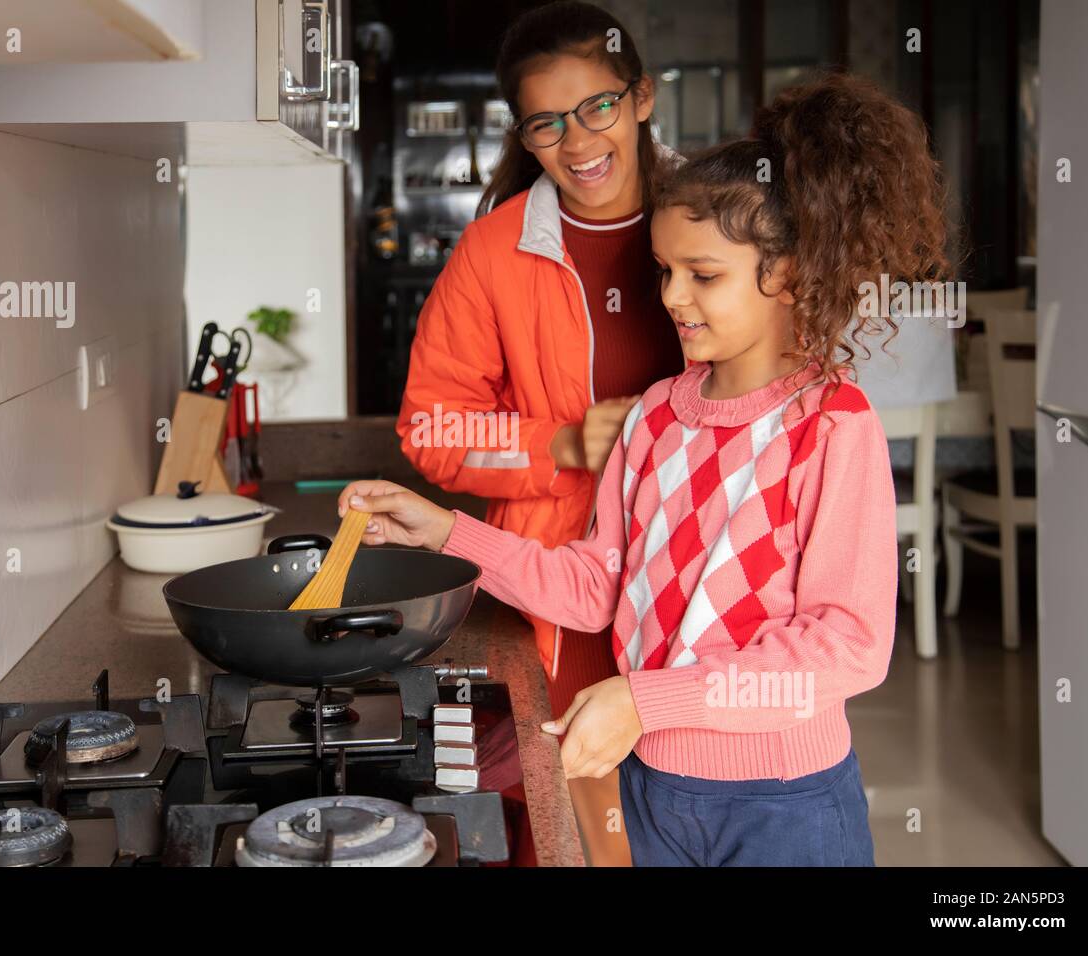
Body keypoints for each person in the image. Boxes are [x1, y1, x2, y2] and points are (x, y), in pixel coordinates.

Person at [348, 70, 950, 865]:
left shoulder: (833, 426)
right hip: (656, 787)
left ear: (793, 275)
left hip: (785, 801)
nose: (672, 297)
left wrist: (645, 698)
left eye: (704, 276)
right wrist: (448, 534)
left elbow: (846, 648)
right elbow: (597, 587)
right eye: (664, 271)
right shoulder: (656, 416)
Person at [394, 1, 682, 865]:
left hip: (690, 586)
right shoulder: (492, 252)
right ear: (524, 133)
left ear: (641, 99)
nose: (578, 139)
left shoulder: (720, 221)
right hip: (548, 599)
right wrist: (557, 444)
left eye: (597, 105)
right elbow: (432, 429)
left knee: (680, 818)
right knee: (546, 831)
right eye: (546, 122)